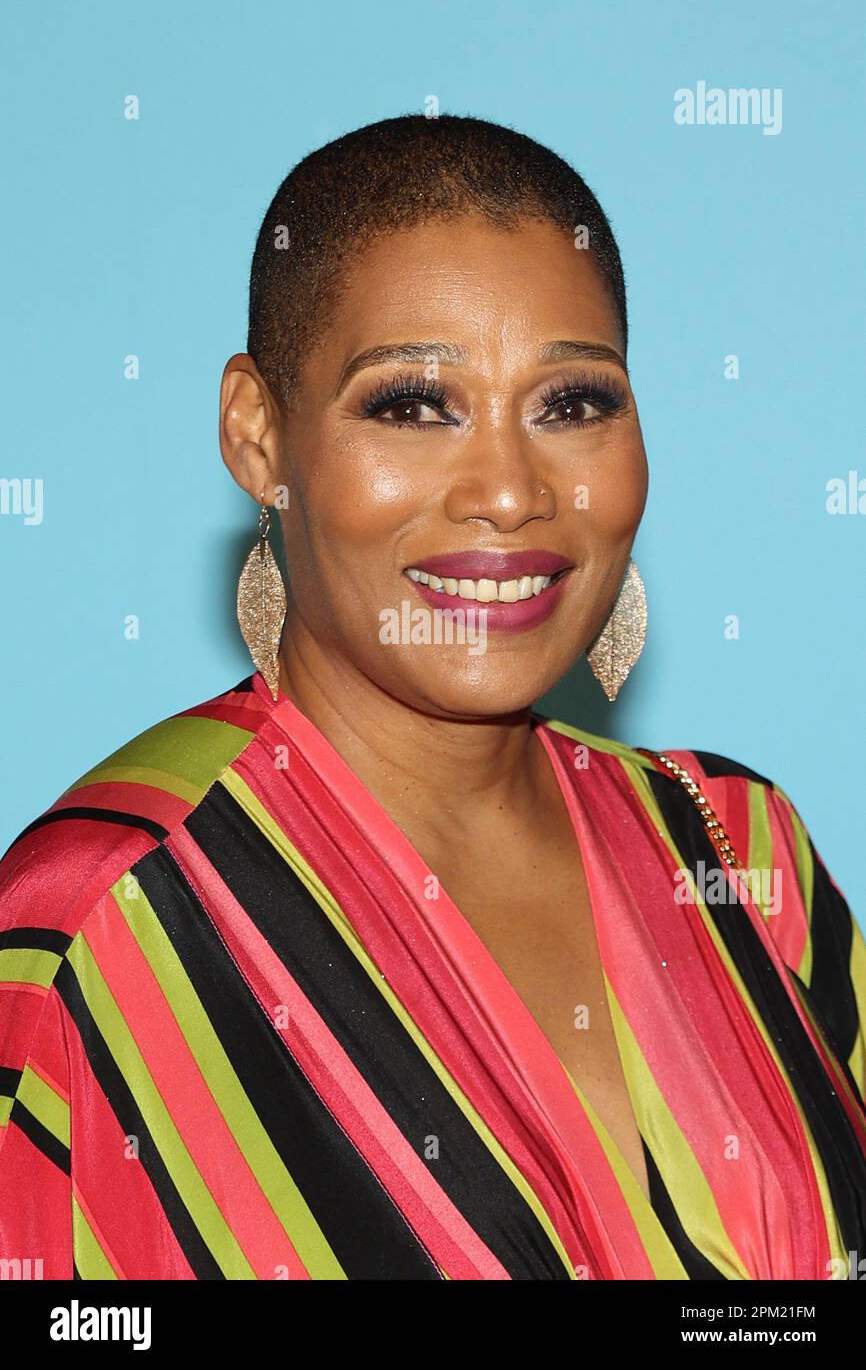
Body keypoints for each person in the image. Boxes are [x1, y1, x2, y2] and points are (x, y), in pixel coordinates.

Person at [1, 113, 865, 1281]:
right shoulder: (98, 928)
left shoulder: (737, 848)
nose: (509, 491)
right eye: (411, 403)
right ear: (258, 437)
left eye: (572, 402)